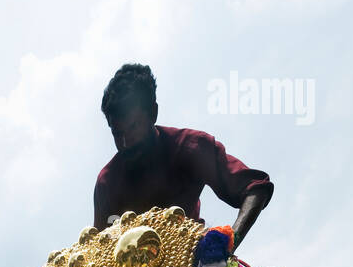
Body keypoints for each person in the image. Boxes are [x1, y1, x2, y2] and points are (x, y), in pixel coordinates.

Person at [93, 63, 273, 242]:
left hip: (196, 263)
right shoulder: (107, 183)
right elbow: (97, 248)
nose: (126, 142)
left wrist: (228, 245)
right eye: (117, 133)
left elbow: (255, 188)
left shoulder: (190, 147)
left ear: (153, 113)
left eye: (133, 127)